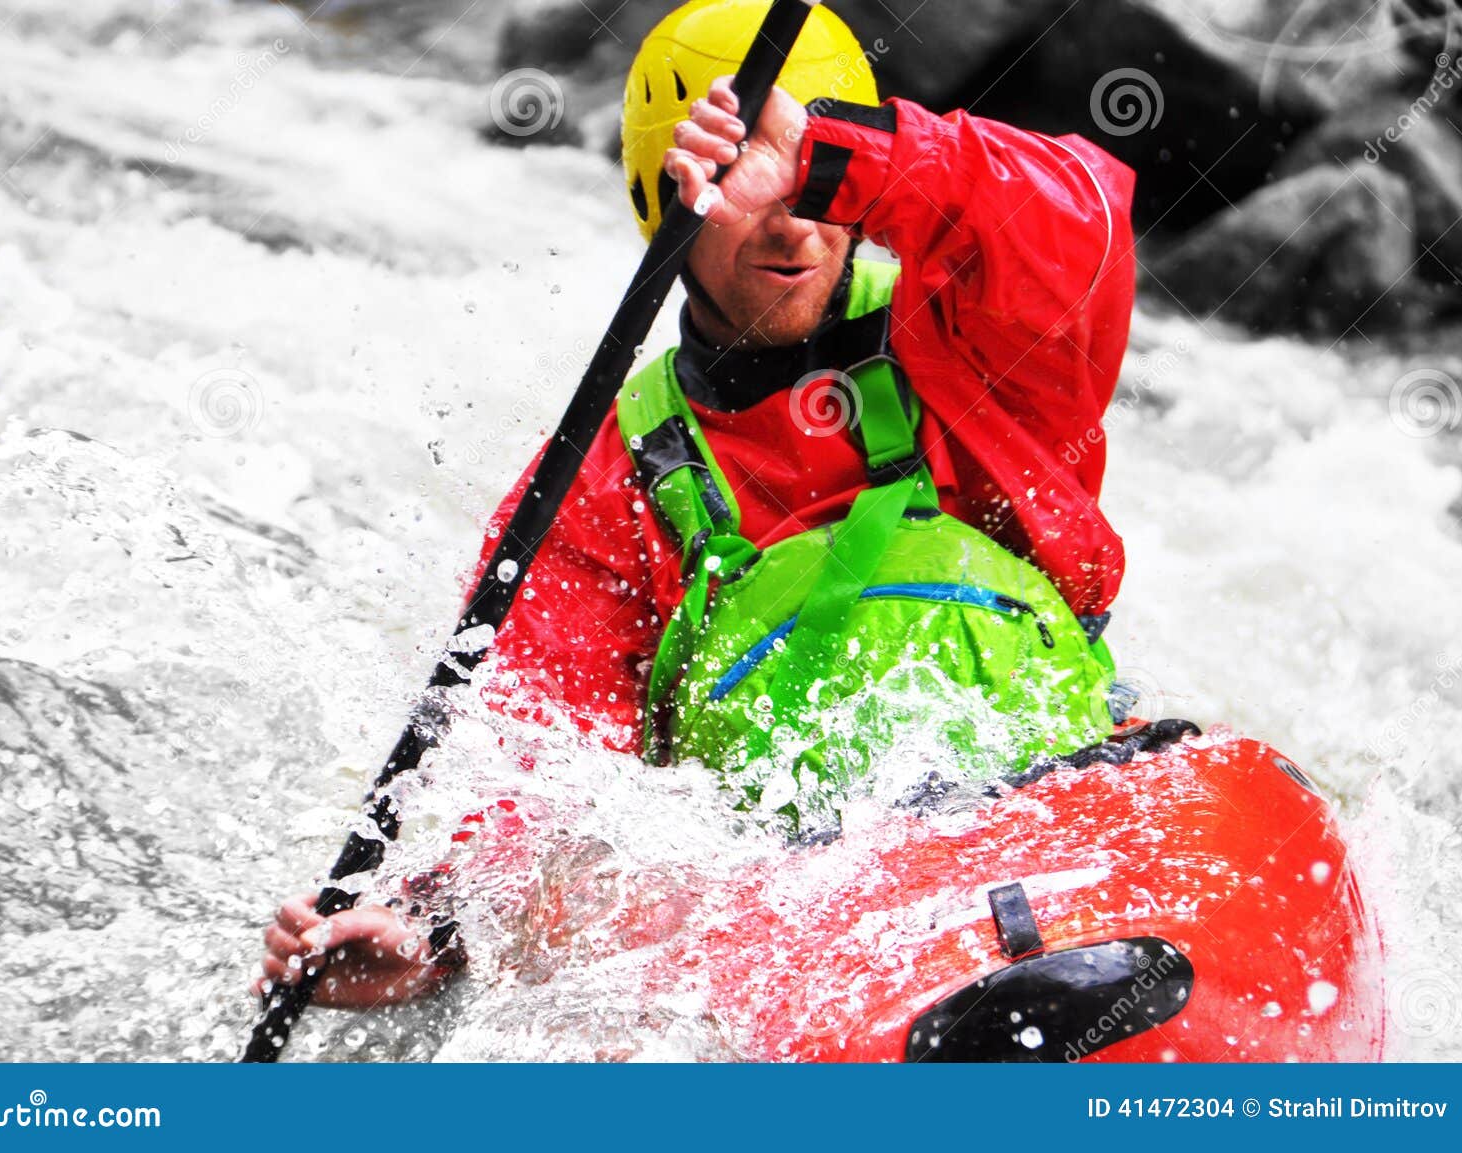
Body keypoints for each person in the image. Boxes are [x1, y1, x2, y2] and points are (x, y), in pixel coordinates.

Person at [256, 0, 1136, 1010]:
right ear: (661, 195)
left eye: (813, 177)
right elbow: (550, 781)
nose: (795, 222)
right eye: (746, 181)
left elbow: (1084, 211)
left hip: (1073, 812)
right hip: (819, 912)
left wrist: (837, 157)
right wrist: (436, 932)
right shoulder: (601, 479)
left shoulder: (978, 333)